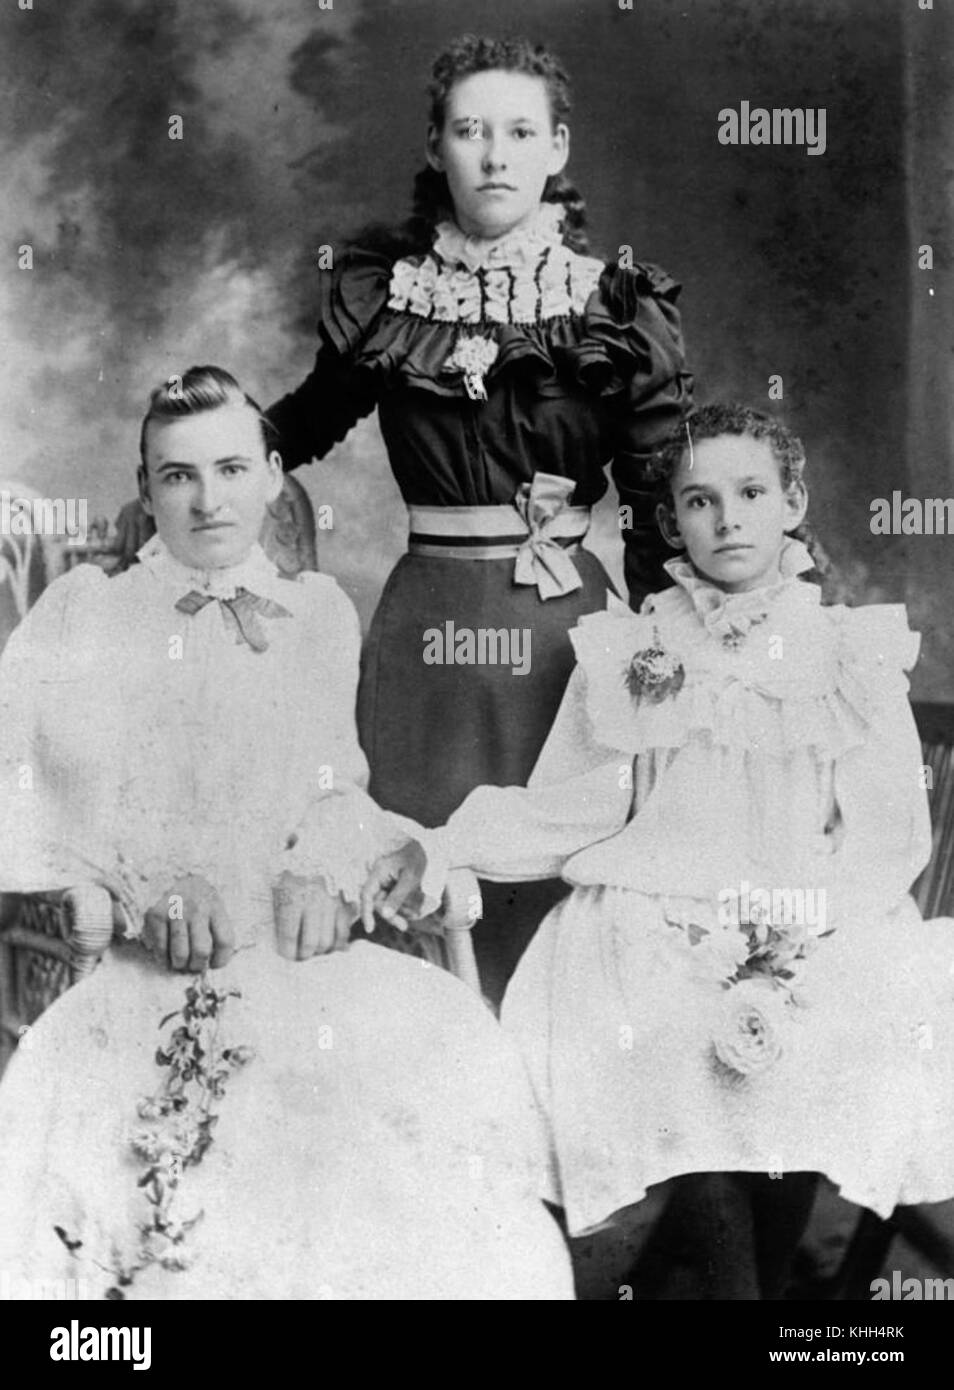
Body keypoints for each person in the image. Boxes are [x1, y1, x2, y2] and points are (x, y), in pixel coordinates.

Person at [117, 34, 692, 1004]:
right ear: (436, 147)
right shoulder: (391, 293)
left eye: (519, 131)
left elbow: (658, 502)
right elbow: (300, 423)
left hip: (568, 643)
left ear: (558, 148)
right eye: (471, 130)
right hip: (423, 637)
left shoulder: (612, 305)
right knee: (409, 902)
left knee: (555, 911)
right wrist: (187, 482)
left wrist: (664, 658)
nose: (495, 155)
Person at [0, 367, 574, 1301]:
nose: (206, 497)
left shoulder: (317, 615)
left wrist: (332, 870)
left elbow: (333, 789)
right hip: (159, 962)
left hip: (300, 951)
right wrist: (145, 890)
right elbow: (31, 794)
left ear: (273, 475)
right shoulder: (91, 616)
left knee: (395, 1114)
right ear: (147, 493)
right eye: (176, 475)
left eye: (230, 469)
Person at [377, 402, 954, 1298]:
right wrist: (448, 845)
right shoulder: (638, 645)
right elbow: (581, 805)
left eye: (751, 493)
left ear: (792, 503)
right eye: (699, 500)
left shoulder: (848, 649)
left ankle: (747, 1287)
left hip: (805, 910)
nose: (726, 519)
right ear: (672, 519)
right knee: (666, 1031)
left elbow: (885, 836)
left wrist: (808, 925)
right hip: (651, 915)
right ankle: (737, 1291)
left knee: (817, 1024)